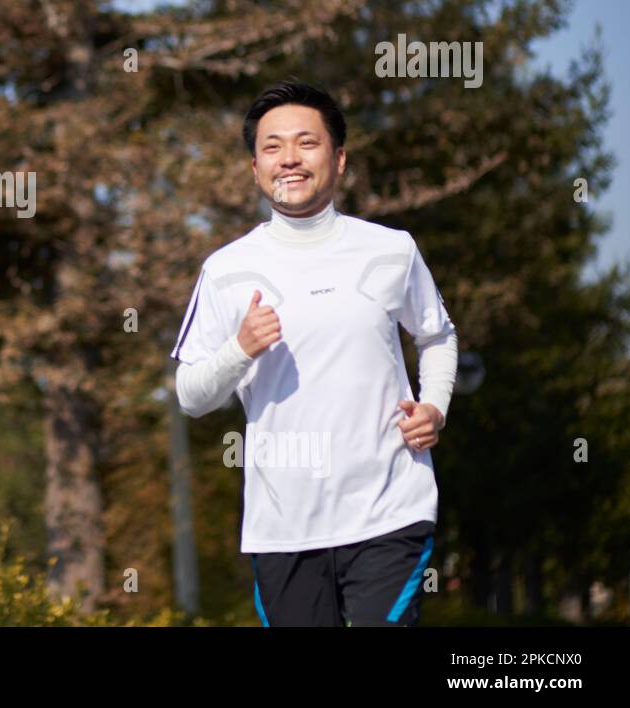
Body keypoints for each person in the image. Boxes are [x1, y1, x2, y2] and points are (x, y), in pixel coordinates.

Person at [170, 80, 458, 626]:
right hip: (283, 525)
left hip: (388, 509)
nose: (290, 160)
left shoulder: (391, 249)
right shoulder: (226, 269)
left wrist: (434, 405)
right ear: (255, 168)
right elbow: (191, 396)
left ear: (339, 158)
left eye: (307, 143)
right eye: (272, 147)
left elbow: (437, 335)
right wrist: (240, 349)